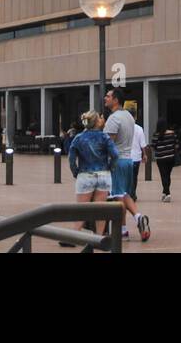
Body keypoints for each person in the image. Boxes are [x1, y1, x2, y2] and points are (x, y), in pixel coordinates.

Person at [62, 111, 119, 245]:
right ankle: (99, 238)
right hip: (103, 174)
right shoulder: (105, 137)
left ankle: (73, 237)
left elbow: (71, 159)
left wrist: (76, 172)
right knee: (101, 209)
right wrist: (110, 167)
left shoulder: (78, 138)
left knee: (82, 208)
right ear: (97, 122)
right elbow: (115, 155)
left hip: (85, 174)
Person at [102, 87, 150, 241]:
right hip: (128, 160)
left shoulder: (114, 118)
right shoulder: (129, 116)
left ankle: (123, 230)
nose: (105, 98)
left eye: (108, 96)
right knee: (123, 194)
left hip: (117, 162)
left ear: (116, 100)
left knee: (118, 197)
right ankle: (138, 218)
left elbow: (109, 143)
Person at [151, 120, 178, 202]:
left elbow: (153, 146)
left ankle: (168, 193)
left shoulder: (156, 134)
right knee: (168, 175)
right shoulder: (172, 133)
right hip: (171, 157)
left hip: (161, 158)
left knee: (164, 175)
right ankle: (164, 192)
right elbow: (176, 144)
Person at [129, 119, 148, 202]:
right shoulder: (139, 128)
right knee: (134, 176)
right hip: (136, 157)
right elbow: (143, 143)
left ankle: (129, 193)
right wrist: (144, 154)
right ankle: (133, 194)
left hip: (125, 157)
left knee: (127, 176)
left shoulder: (123, 127)